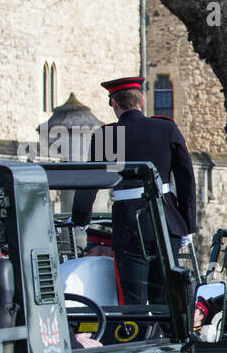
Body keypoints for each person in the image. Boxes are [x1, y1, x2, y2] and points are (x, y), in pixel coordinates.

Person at [71, 76, 197, 306]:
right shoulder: (166, 128)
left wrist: (80, 217)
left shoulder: (107, 135)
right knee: (165, 295)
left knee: (133, 297)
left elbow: (91, 180)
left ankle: (137, 337)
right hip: (166, 219)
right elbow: (186, 178)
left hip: (129, 222)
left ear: (115, 104)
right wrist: (187, 224)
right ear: (141, 100)